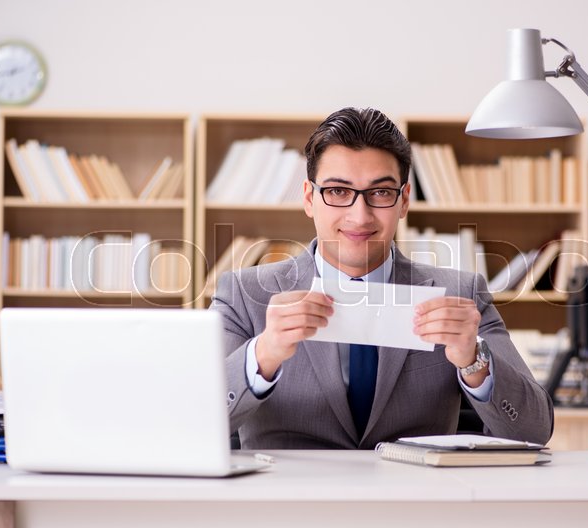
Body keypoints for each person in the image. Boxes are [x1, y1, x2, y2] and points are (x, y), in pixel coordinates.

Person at [211, 107, 553, 449]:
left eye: (380, 193)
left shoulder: (462, 294)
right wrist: (262, 355)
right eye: (338, 191)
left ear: (403, 201)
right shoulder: (244, 295)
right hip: (292, 484)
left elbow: (534, 432)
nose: (360, 216)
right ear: (309, 198)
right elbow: (192, 423)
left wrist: (474, 362)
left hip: (411, 483)